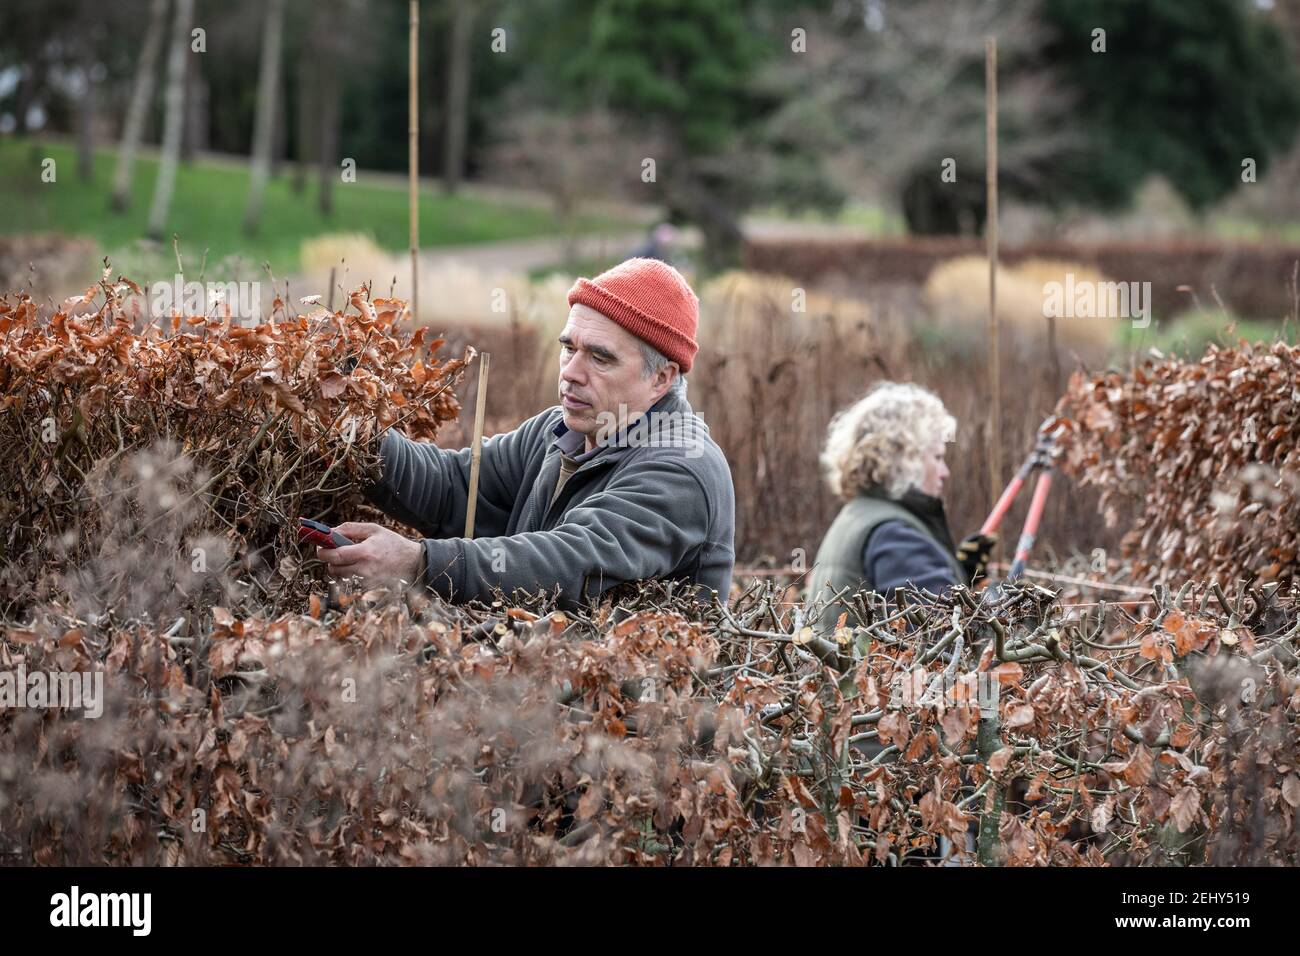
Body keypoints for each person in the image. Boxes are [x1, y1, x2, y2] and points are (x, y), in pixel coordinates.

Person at [316, 258, 736, 609]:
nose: (571, 373)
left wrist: (418, 563)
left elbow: (572, 561)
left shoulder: (683, 467)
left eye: (600, 358)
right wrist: (356, 436)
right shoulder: (557, 431)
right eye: (569, 348)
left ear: (661, 378)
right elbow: (455, 486)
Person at [806, 382, 995, 635]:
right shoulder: (896, 537)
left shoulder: (859, 515)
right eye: (938, 458)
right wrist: (1010, 603)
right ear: (906, 460)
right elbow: (946, 643)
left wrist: (958, 573)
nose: (945, 472)